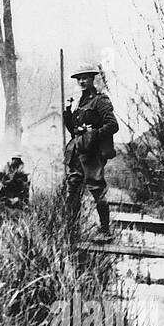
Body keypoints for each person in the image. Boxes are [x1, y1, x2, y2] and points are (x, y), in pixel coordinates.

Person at [63, 64, 119, 242]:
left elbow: (112, 125)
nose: (81, 81)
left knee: (96, 189)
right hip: (78, 153)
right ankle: (71, 232)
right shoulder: (80, 102)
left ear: (92, 79)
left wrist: (93, 134)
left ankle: (105, 231)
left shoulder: (100, 100)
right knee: (72, 191)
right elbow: (73, 130)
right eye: (79, 78)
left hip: (92, 154)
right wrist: (67, 113)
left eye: (85, 78)